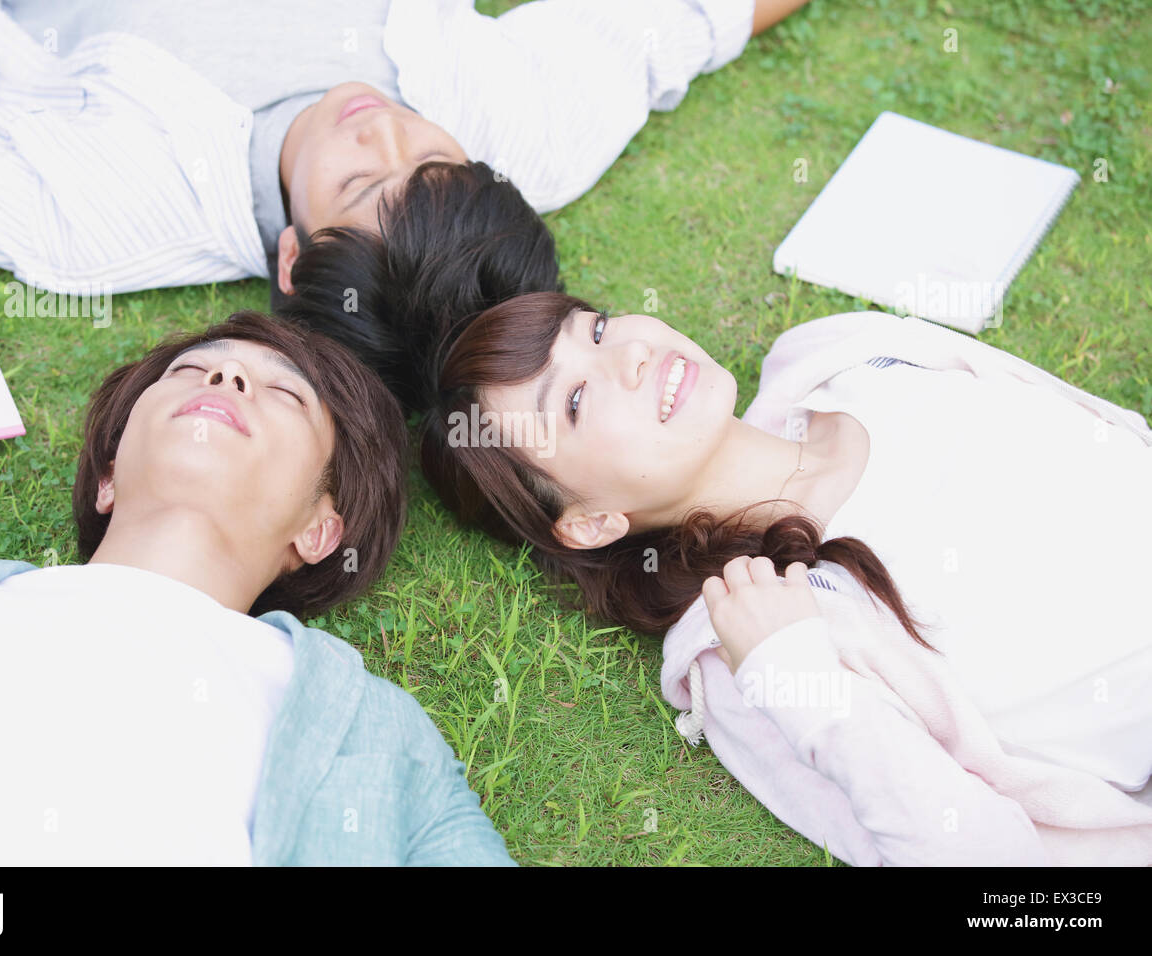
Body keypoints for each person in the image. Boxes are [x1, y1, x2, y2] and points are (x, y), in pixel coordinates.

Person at [417, 290, 1152, 866]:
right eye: (575, 401)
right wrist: (805, 689)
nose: (632, 355)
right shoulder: (756, 637)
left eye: (598, 329)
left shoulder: (839, 360)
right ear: (588, 520)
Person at [0, 308, 514, 866]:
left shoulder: (374, 733)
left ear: (319, 531)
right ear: (108, 477)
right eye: (191, 372)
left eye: (284, 394)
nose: (224, 378)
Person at [0, 1, 807, 299]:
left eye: (357, 178)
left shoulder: (109, 209)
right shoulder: (524, 139)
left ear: (295, 255)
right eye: (428, 155)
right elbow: (691, 14)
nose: (378, 123)